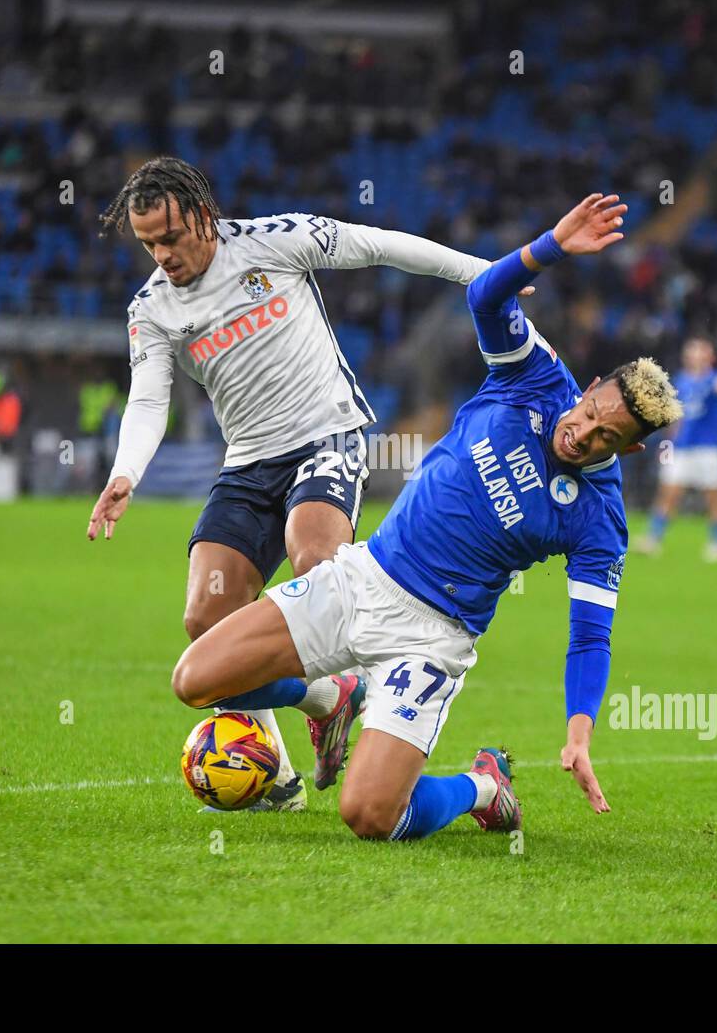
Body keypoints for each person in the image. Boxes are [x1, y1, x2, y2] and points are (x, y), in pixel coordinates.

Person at [170, 193, 682, 842]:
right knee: (195, 680)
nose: (582, 435)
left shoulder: (600, 518)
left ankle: (484, 787)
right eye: (588, 414)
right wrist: (549, 246)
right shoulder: (536, 380)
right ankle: (331, 696)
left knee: (370, 817)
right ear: (587, 390)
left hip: (431, 637)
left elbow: (589, 638)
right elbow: (487, 299)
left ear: (628, 449)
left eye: (605, 438)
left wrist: (579, 733)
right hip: (360, 579)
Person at [85, 157, 501, 811]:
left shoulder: (272, 241)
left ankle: (383, 709)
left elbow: (379, 246)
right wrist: (124, 473)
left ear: (201, 216)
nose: (161, 255)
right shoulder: (153, 308)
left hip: (326, 435)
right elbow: (147, 400)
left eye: (169, 237)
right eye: (148, 244)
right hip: (249, 463)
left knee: (316, 557)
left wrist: (485, 274)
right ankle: (306, 727)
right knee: (205, 618)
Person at [635, 337, 717, 562]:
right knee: (668, 493)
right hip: (681, 448)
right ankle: (653, 539)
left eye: (698, 353)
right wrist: (667, 445)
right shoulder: (681, 381)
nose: (694, 357)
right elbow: (675, 419)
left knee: (714, 497)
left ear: (709, 357)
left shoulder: (715, 379)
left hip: (708, 448)